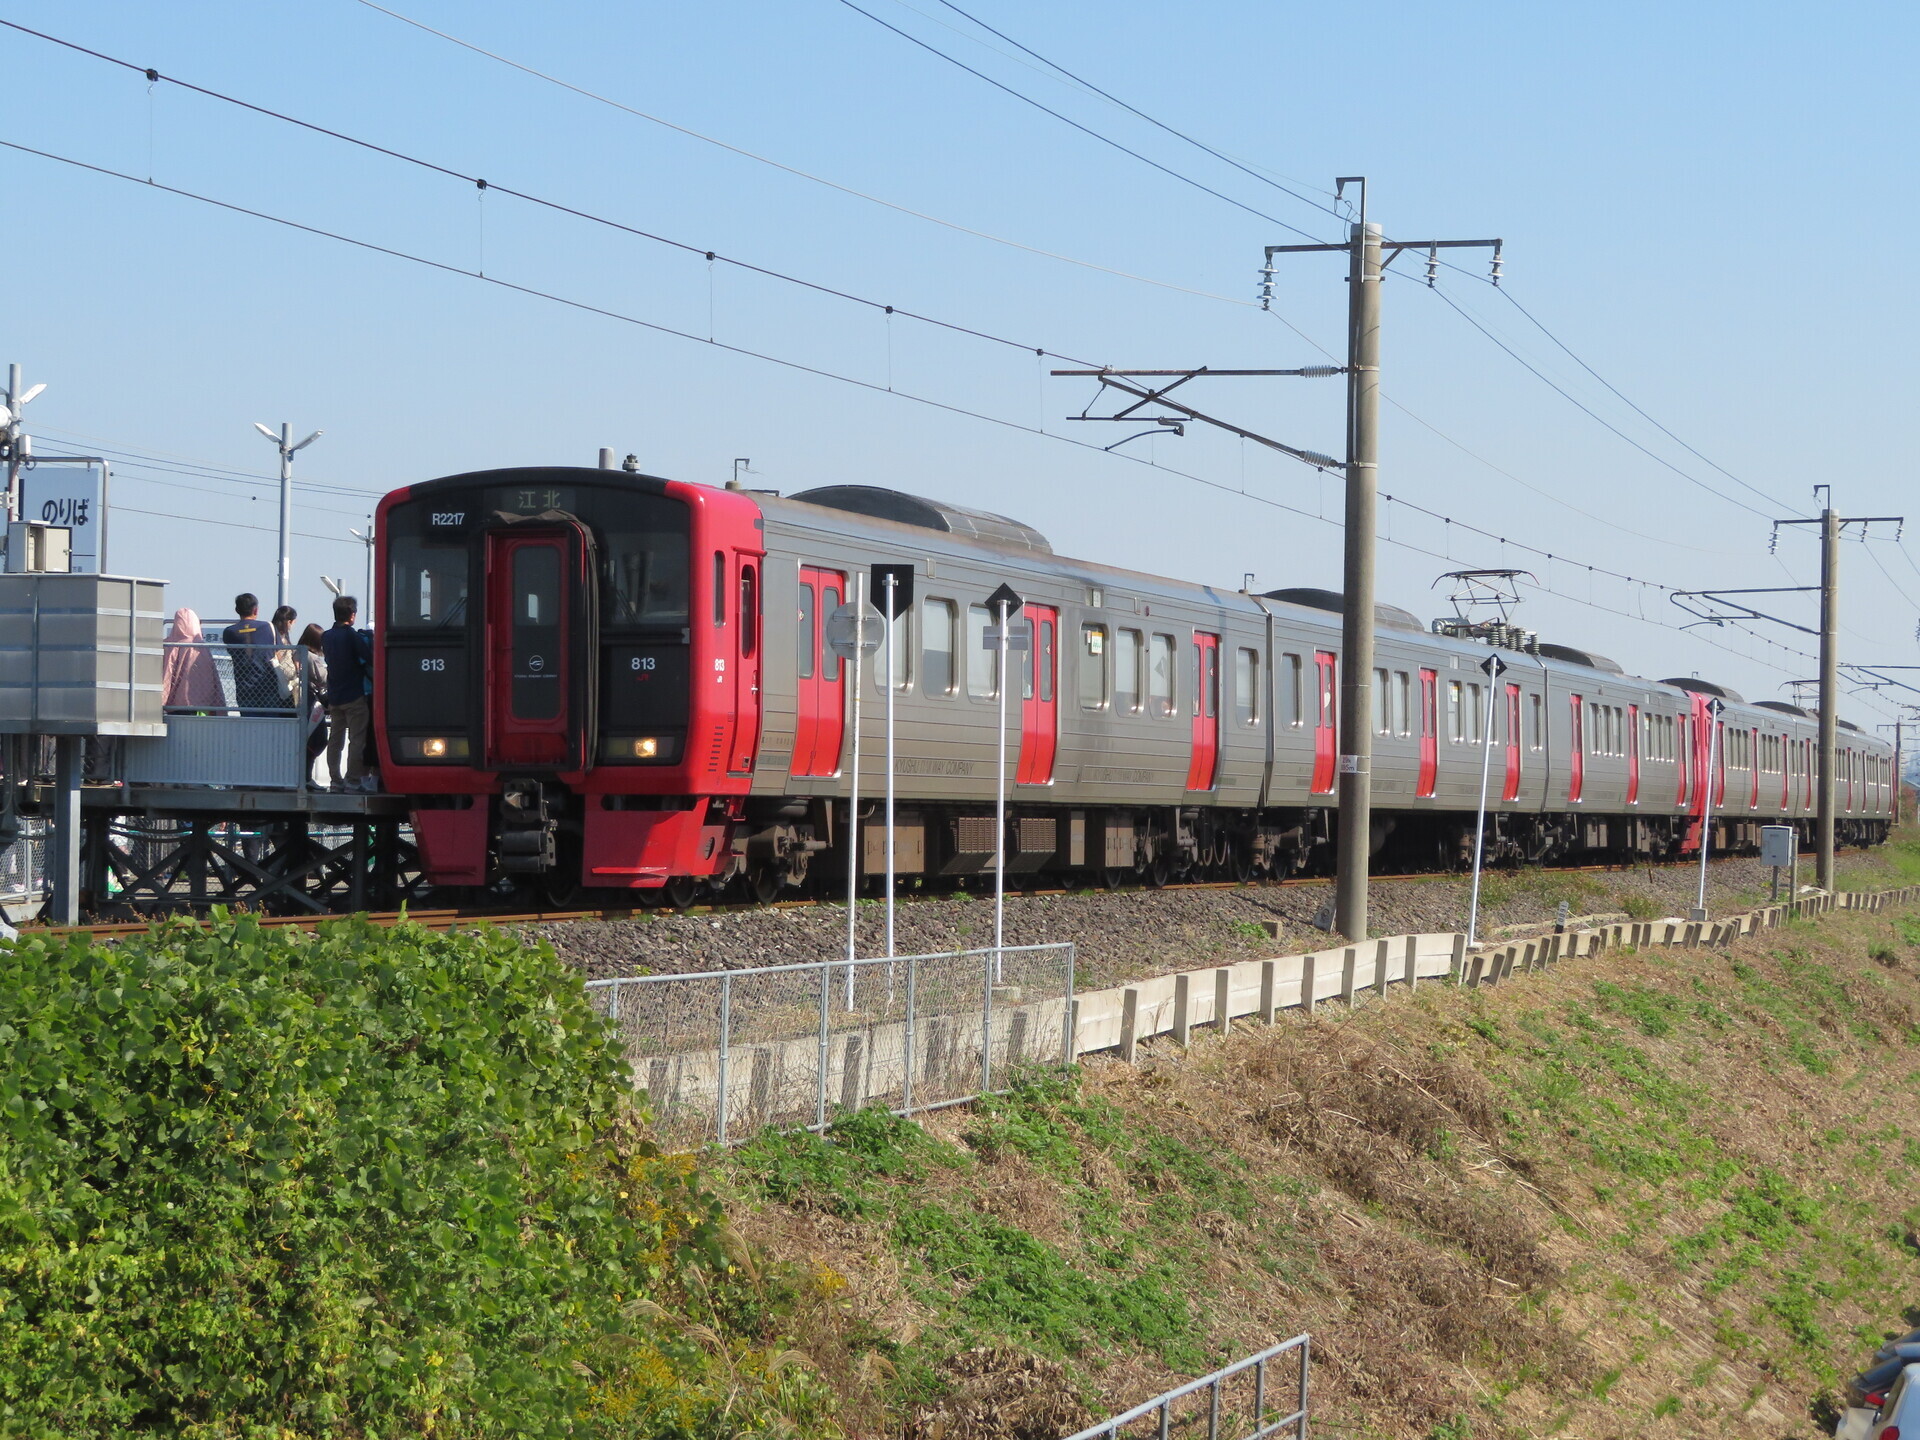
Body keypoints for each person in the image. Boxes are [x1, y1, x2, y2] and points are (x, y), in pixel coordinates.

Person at [321, 595, 376, 791]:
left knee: (335, 740)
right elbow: (370, 659)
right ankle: (353, 780)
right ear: (352, 615)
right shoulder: (352, 636)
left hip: (335, 696)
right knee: (357, 740)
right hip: (354, 695)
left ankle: (335, 780)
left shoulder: (326, 636)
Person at [222, 593, 277, 715]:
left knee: (249, 728)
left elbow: (231, 651)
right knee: (272, 728)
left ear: (237, 610)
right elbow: (279, 652)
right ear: (256, 609)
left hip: (244, 688)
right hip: (268, 686)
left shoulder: (229, 632)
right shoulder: (268, 627)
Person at [161, 608, 224, 712]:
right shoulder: (203, 648)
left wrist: (160, 702)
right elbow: (215, 680)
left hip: (176, 705)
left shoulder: (170, 646)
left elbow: (167, 675)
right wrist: (220, 708)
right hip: (204, 705)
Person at [296, 622, 330, 768]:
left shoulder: (296, 651)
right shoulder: (312, 657)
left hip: (299, 698)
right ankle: (307, 775)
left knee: (305, 738)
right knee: (319, 739)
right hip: (311, 700)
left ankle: (304, 776)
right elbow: (324, 678)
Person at [269, 605, 300, 707]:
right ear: (288, 621)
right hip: (278, 682)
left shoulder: (284, 635)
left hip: (289, 682)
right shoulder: (273, 635)